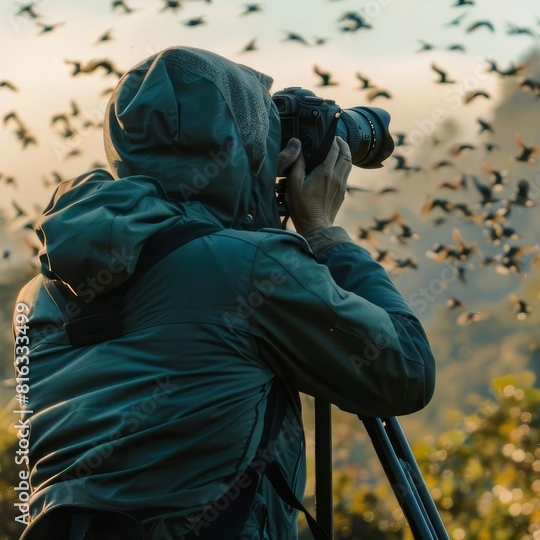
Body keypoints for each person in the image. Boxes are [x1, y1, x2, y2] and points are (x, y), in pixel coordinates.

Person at [12, 46, 436, 539]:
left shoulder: (37, 295)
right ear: (244, 146)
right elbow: (405, 372)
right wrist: (321, 232)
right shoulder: (248, 267)